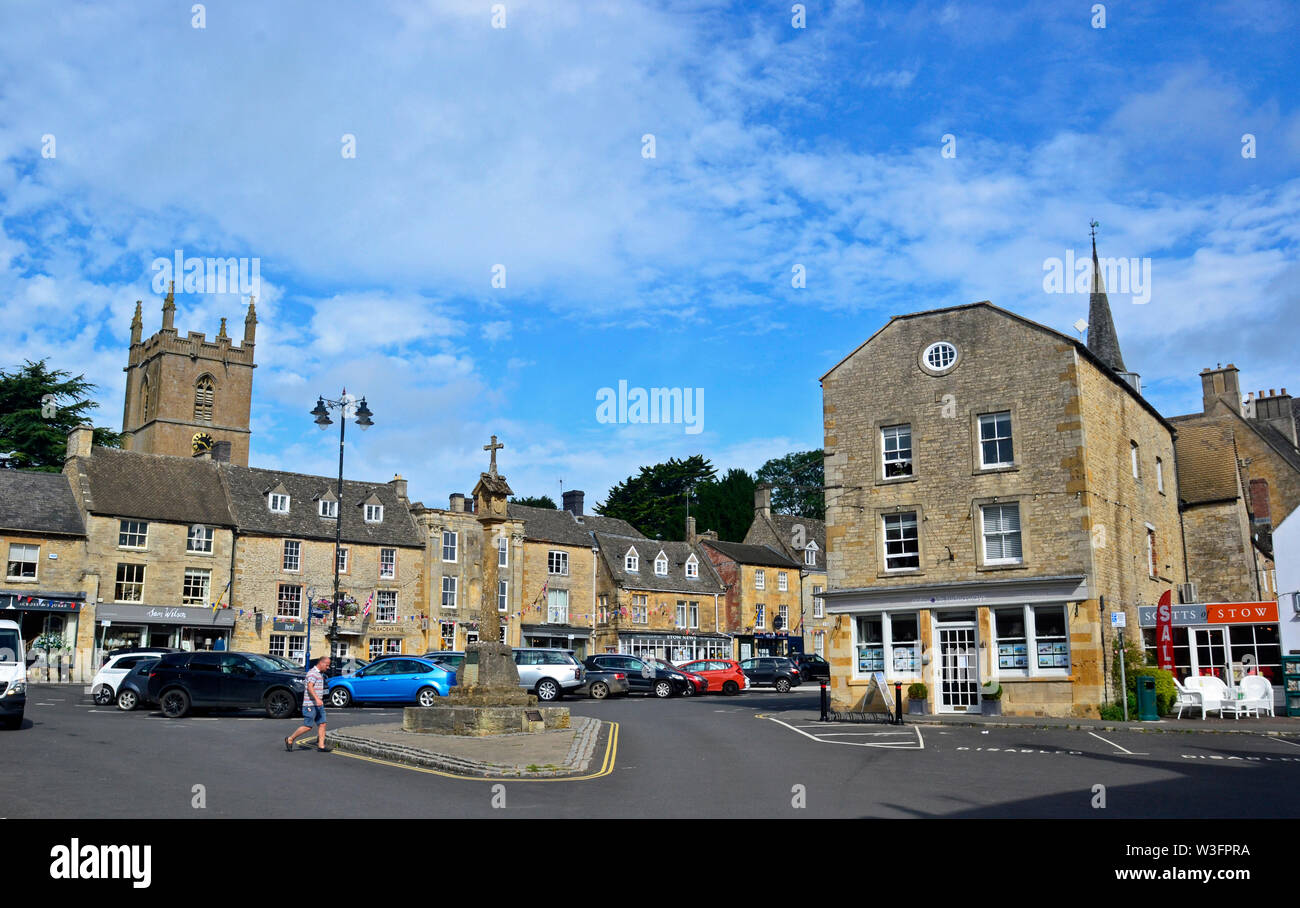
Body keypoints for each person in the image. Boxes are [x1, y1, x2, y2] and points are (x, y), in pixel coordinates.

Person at [285, 654, 331, 752]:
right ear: (321, 663)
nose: (328, 667)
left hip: (318, 704)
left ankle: (321, 746)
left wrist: (319, 701)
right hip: (310, 704)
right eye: (327, 665)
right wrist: (317, 699)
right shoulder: (312, 673)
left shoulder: (319, 673)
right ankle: (290, 738)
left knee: (322, 723)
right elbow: (310, 687)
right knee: (308, 726)